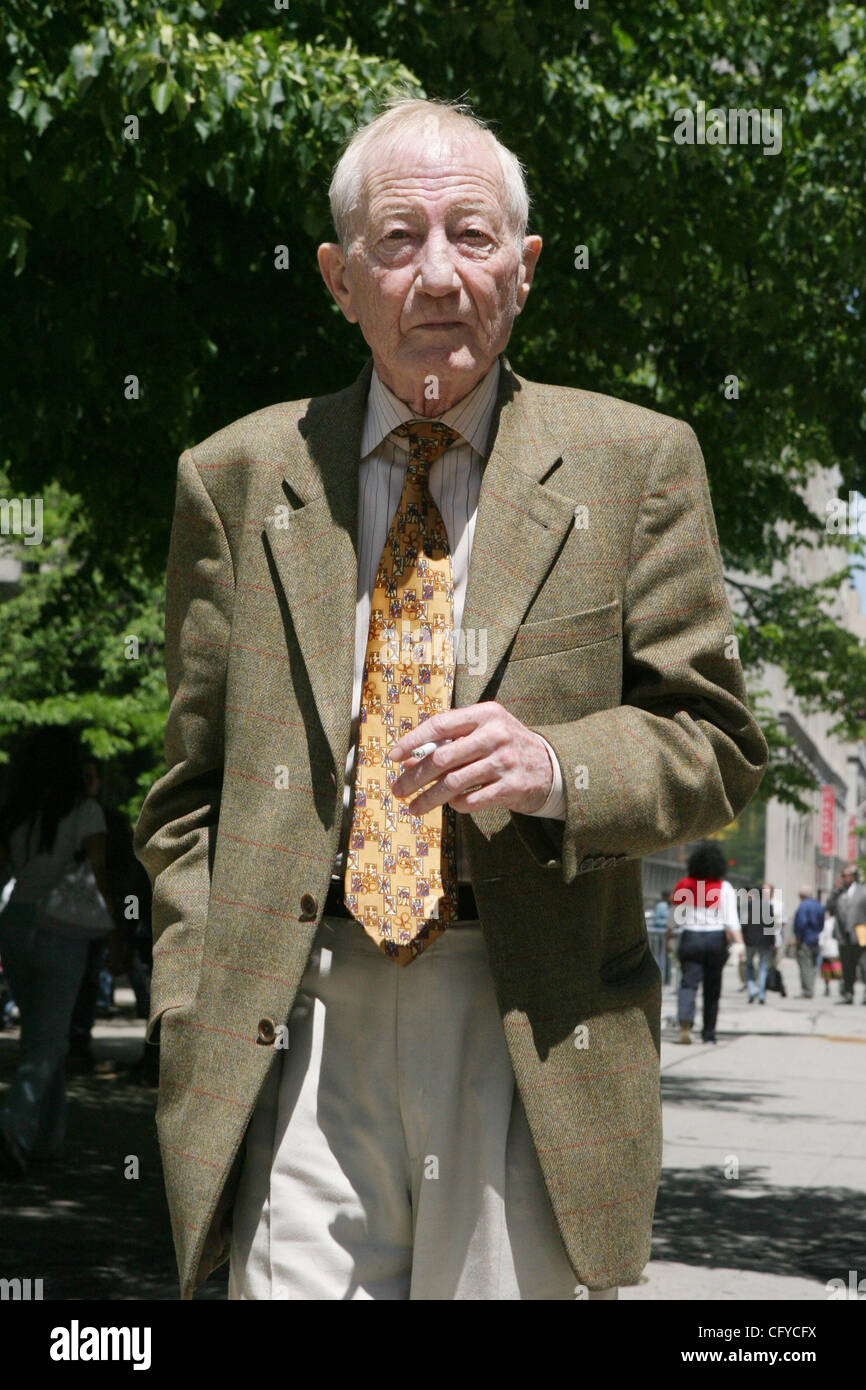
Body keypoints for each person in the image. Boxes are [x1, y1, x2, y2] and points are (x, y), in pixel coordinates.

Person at [133, 95, 768, 1301]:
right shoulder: (236, 477)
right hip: (300, 1020)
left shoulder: (635, 463)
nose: (437, 276)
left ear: (523, 270)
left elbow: (718, 747)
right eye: (397, 240)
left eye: (472, 238)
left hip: (527, 1018)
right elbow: (185, 797)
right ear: (338, 276)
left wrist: (560, 767)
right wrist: (186, 1011)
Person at [0, 726, 112, 1177]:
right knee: (48, 1042)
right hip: (61, 929)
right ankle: (11, 1130)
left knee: (41, 1035)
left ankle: (46, 1141)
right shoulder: (85, 811)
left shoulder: (16, 815)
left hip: (16, 922)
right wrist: (119, 936)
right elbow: (101, 873)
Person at [668, 841, 743, 1044]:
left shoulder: (684, 885)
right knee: (712, 988)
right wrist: (740, 944)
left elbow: (674, 920)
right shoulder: (724, 887)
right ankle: (709, 1033)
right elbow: (731, 920)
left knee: (688, 984)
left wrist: (668, 940)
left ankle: (685, 1021)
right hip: (714, 940)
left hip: (690, 937)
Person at [828, 864, 866, 1005]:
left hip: (862, 932)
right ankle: (848, 993)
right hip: (843, 935)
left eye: (847, 875)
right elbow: (829, 906)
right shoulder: (839, 893)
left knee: (864, 964)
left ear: (854, 877)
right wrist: (834, 891)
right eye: (843, 876)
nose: (844, 878)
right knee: (847, 966)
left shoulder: (863, 891)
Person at [740, 880, 772, 1004]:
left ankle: (752, 989)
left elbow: (743, 925)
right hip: (764, 941)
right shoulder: (767, 906)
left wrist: (743, 938)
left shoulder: (746, 906)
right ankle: (762, 994)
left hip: (750, 941)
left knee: (749, 966)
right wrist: (772, 942)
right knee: (763, 967)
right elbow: (771, 926)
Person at [792, 885, 824, 999]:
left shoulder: (803, 906)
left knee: (805, 965)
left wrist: (798, 936)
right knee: (813, 965)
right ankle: (810, 988)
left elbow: (801, 922)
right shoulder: (818, 905)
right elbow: (822, 922)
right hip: (815, 938)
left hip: (805, 939)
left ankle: (807, 991)